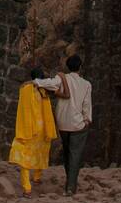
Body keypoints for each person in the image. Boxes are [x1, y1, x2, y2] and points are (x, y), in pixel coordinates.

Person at [34, 54, 92, 195]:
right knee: (75, 155)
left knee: (67, 153)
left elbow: (49, 83)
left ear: (67, 66)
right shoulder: (86, 84)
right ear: (80, 67)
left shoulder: (62, 78)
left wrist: (35, 81)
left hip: (63, 123)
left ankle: (69, 181)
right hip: (77, 124)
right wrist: (87, 120)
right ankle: (70, 187)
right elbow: (86, 105)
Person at [8, 66, 57, 195]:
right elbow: (56, 86)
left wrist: (29, 83)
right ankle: (37, 177)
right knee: (41, 151)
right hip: (42, 128)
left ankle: (27, 188)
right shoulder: (44, 91)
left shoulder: (25, 89)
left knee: (25, 155)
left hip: (28, 127)